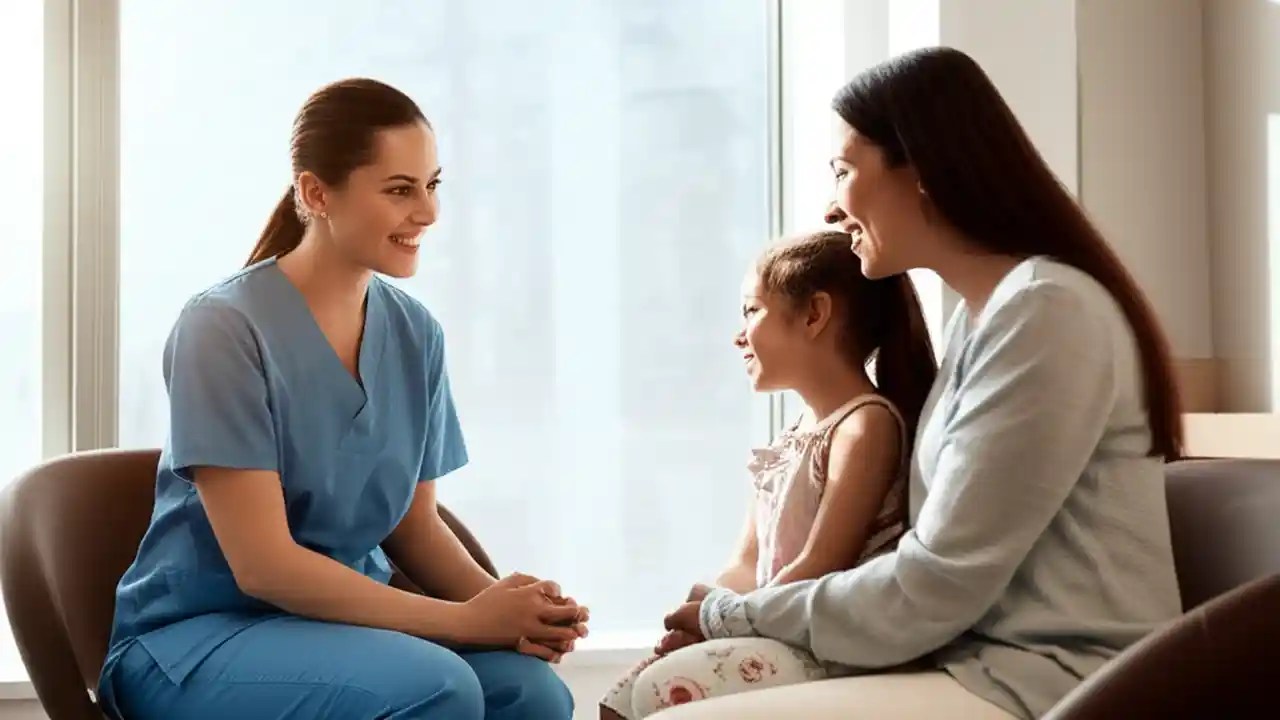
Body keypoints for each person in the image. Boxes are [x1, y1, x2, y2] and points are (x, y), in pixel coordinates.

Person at [660, 46, 1185, 719]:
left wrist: (735, 614)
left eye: (845, 172)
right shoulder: (988, 318)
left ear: (924, 172)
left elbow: (936, 586)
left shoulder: (1045, 311)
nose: (830, 208)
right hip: (975, 667)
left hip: (1058, 686)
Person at [96, 78, 586, 720]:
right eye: (400, 189)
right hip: (197, 642)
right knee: (441, 685)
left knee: (533, 692)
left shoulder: (416, 334)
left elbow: (414, 527)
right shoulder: (222, 327)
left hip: (347, 634)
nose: (430, 213)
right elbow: (265, 568)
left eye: (433, 185)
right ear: (316, 193)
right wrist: (465, 623)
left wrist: (513, 612)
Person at [600, 231, 938, 719]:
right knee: (619, 703)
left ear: (814, 315)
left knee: (664, 687)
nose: (738, 335)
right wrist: (710, 610)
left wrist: (721, 621)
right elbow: (747, 560)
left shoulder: (866, 425)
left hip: (831, 644)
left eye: (751, 311)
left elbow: (824, 565)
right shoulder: (792, 434)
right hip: (770, 624)